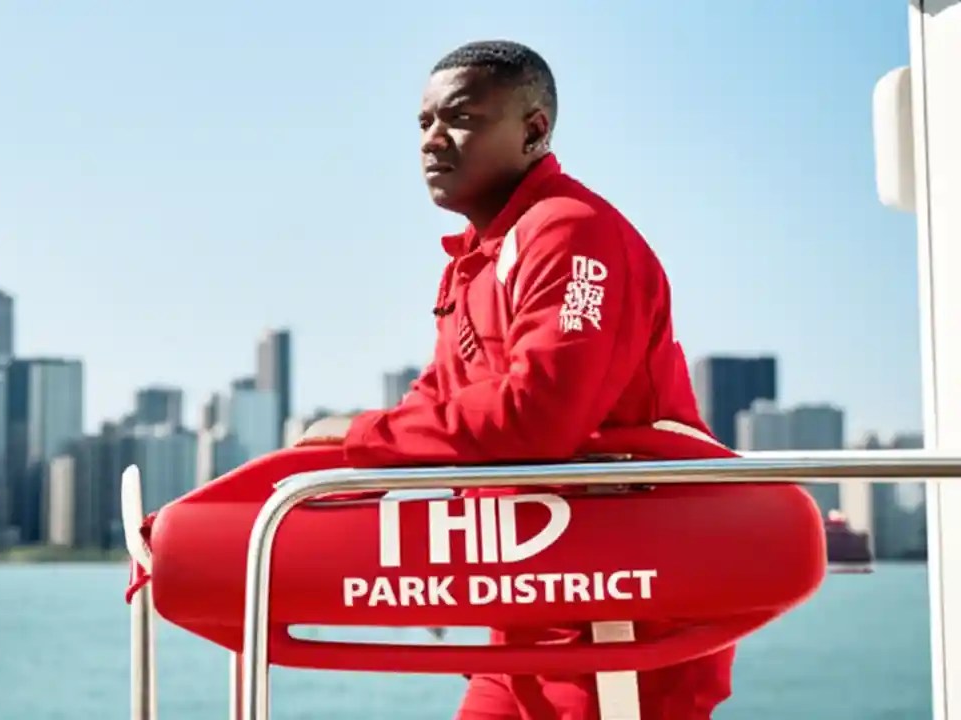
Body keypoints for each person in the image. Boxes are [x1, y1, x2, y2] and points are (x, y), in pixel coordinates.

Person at [297, 40, 734, 719]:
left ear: (534, 130)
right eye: (423, 124)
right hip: (528, 606)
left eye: (462, 119)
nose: (433, 142)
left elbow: (539, 417)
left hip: (625, 613)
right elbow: (435, 405)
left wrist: (360, 436)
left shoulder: (574, 233)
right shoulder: (471, 266)